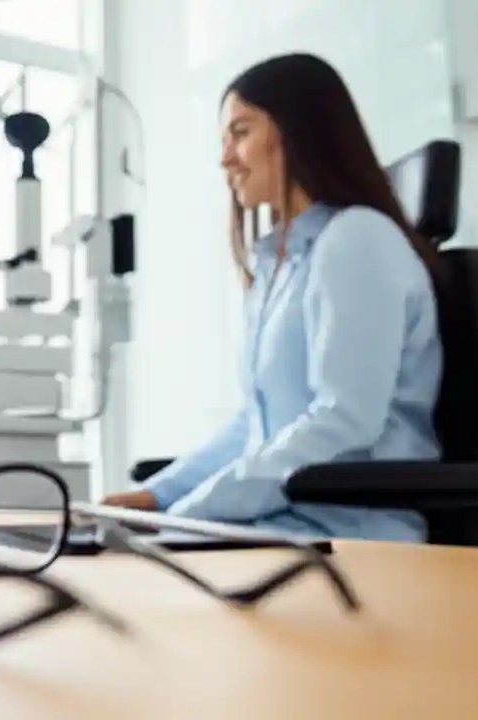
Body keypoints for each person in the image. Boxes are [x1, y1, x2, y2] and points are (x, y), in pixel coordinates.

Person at [103, 54, 445, 542]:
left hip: (349, 534)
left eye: (240, 133)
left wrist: (190, 514)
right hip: (284, 525)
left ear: (298, 130)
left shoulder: (357, 239)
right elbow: (257, 427)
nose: (225, 158)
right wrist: (161, 497)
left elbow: (344, 420)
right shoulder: (279, 264)